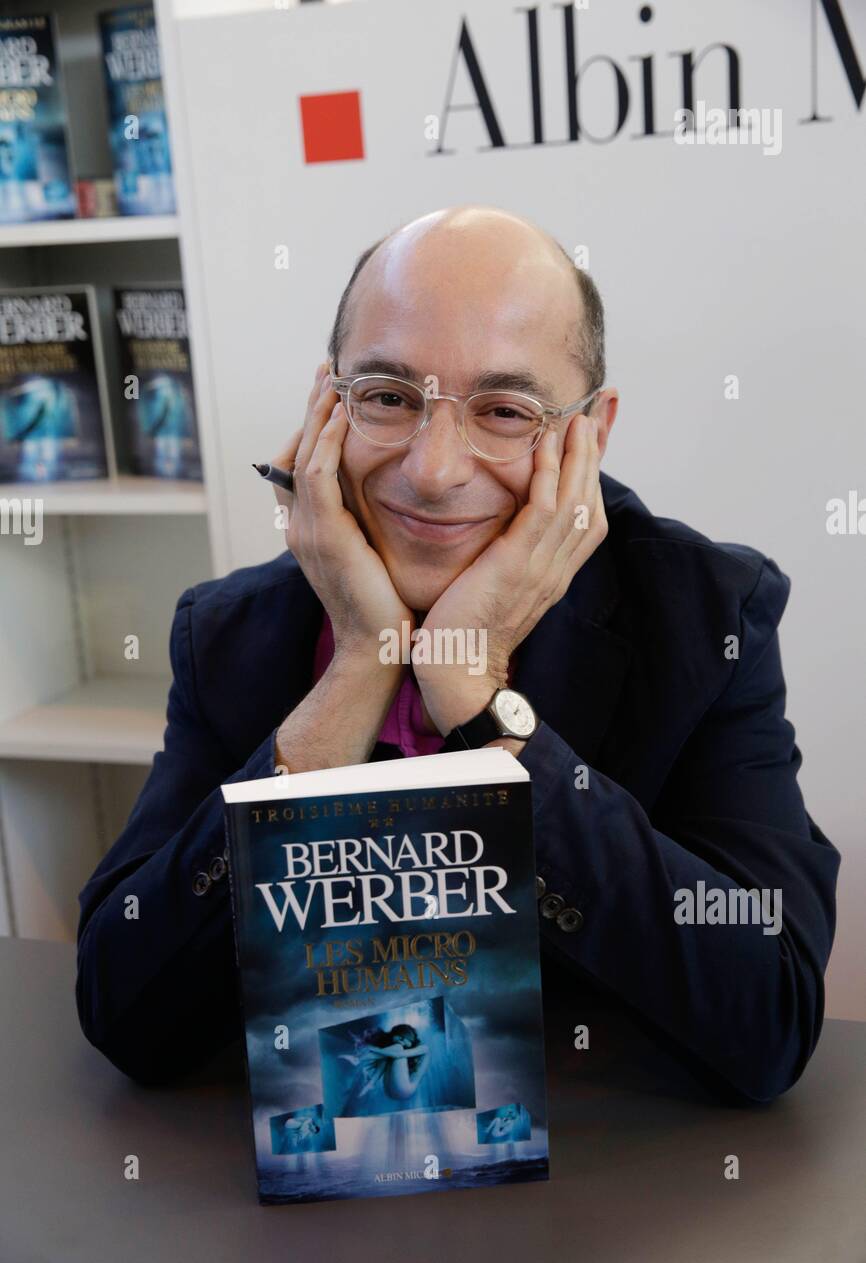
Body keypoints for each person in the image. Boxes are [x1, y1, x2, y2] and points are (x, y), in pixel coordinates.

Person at [76, 206, 839, 1104]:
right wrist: (358, 669)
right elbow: (125, 1011)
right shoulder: (230, 633)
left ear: (591, 432)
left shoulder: (705, 617)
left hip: (608, 1197)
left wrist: (477, 702)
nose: (435, 469)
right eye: (390, 398)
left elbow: (769, 1021)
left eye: (505, 411)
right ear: (330, 405)